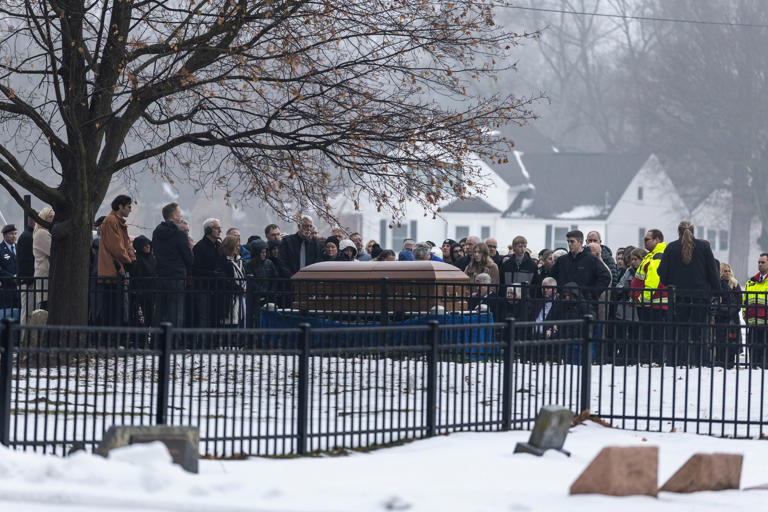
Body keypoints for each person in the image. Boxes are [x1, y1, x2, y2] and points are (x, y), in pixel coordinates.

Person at [658, 221, 720, 364]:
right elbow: (712, 271)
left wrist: (670, 282)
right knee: (700, 331)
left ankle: (681, 360)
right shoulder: (704, 247)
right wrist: (717, 292)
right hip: (700, 295)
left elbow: (662, 272)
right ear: (693, 232)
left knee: (682, 331)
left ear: (678, 232)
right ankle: (701, 361)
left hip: (680, 295)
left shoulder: (671, 247)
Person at [151, 203, 194, 327]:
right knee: (175, 312)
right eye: (179, 212)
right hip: (176, 276)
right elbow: (189, 258)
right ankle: (174, 341)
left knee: (159, 310)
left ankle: (156, 340)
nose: (180, 215)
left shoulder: (157, 232)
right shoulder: (179, 234)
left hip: (160, 275)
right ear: (174, 216)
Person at [98, 195, 136, 325]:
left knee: (116, 308)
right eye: (129, 206)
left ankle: (114, 338)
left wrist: (131, 259)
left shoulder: (117, 222)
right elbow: (116, 247)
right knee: (112, 309)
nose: (130, 210)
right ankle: (110, 339)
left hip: (117, 269)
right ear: (120, 206)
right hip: (113, 270)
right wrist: (129, 261)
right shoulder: (111, 221)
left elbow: (126, 245)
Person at [550, 230, 611, 301]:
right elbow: (552, 276)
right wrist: (558, 292)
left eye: (572, 241)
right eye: (568, 241)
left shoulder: (591, 259)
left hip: (584, 303)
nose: (569, 244)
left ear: (580, 242)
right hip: (564, 301)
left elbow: (605, 276)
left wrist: (592, 294)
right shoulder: (562, 260)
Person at [192, 218, 222, 327]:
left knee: (216, 317)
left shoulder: (219, 246)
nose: (220, 231)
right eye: (217, 228)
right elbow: (195, 269)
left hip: (217, 288)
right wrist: (212, 274)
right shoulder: (199, 247)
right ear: (208, 230)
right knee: (204, 317)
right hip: (203, 288)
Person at [713, 262, 741, 368]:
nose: (728, 273)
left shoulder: (735, 284)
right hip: (721, 318)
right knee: (721, 341)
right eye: (725, 271)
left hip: (733, 318)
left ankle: (730, 363)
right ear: (720, 272)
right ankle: (721, 362)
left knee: (732, 342)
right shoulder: (718, 284)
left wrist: (731, 309)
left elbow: (739, 301)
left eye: (729, 271)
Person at [743, 254, 768, 368]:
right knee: (753, 352)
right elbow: (744, 302)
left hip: (766, 323)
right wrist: (745, 316)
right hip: (753, 323)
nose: (760, 264)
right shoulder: (751, 282)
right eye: (759, 262)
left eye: (763, 262)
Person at [215, 235, 245, 326]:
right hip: (228, 299)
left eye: (239, 246)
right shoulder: (223, 262)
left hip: (239, 297)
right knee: (227, 324)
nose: (238, 248)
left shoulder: (239, 261)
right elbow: (224, 280)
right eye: (236, 246)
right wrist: (239, 289)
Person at [131, 235, 157, 327]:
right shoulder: (137, 259)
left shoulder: (153, 258)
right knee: (141, 317)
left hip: (151, 292)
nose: (148, 246)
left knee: (150, 316)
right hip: (141, 293)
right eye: (144, 245)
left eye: (148, 244)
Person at [32, 207, 54, 311]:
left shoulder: (44, 232)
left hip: (44, 273)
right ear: (44, 218)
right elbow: (52, 251)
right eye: (50, 216)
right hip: (44, 274)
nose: (53, 219)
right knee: (46, 306)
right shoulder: (42, 233)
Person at [16, 216, 34, 324]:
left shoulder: (28, 235)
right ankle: (24, 339)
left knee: (28, 310)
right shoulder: (27, 237)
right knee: (27, 311)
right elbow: (24, 261)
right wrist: (27, 280)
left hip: (27, 280)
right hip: (27, 281)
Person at [0, 224, 19, 313]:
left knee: (19, 311)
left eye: (15, 233)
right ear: (4, 235)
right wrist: (12, 277)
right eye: (11, 234)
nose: (14, 236)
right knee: (7, 313)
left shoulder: (19, 247)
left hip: (19, 286)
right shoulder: (1, 249)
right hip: (6, 287)